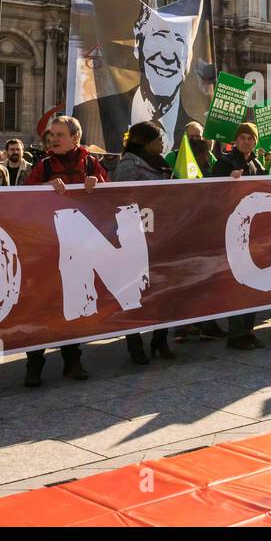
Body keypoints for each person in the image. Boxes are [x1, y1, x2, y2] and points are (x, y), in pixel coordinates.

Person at [23, 116, 107, 385]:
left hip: (78, 246)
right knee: (41, 305)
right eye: (52, 134)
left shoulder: (93, 164)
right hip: (47, 245)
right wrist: (44, 187)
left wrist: (100, 184)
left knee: (74, 302)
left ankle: (73, 361)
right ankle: (34, 365)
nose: (54, 139)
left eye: (60, 134)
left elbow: (112, 196)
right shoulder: (44, 166)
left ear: (75, 138)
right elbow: (18, 196)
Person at [110, 121, 176, 364]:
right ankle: (134, 342)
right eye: (157, 138)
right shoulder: (128, 166)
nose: (161, 143)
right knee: (134, 291)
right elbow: (121, 200)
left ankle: (160, 339)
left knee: (162, 291)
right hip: (134, 237)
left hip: (160, 234)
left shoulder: (161, 163)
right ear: (145, 142)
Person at [87, 4, 197, 149]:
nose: (168, 56)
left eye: (179, 41)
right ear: (138, 43)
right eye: (160, 38)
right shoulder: (96, 114)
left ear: (189, 56)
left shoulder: (201, 130)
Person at [211, 122, 271, 349]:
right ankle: (236, 334)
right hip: (231, 232)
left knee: (251, 281)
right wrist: (226, 180)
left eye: (250, 138)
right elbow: (209, 191)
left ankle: (247, 330)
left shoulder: (256, 162)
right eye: (242, 137)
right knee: (236, 282)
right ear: (235, 140)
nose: (246, 141)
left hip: (251, 233)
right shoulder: (224, 162)